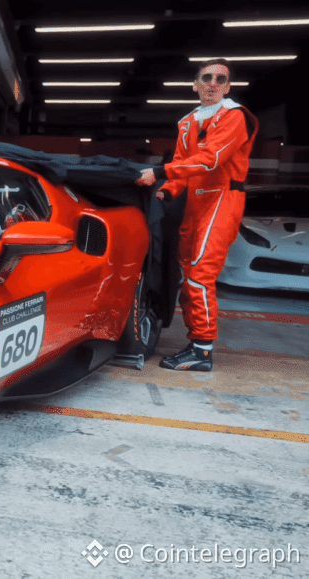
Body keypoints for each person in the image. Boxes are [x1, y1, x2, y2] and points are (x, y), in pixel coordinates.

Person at [136, 58, 258, 371]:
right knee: (187, 275)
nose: (213, 83)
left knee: (201, 274)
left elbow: (210, 158)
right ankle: (196, 344)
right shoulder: (187, 122)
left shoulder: (235, 116)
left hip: (223, 199)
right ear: (196, 85)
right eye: (207, 77)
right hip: (195, 203)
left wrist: (159, 172)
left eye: (220, 79)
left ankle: (202, 351)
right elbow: (181, 168)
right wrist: (164, 192)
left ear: (227, 87)